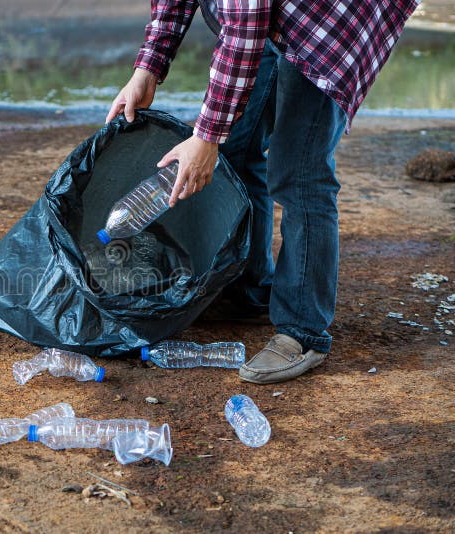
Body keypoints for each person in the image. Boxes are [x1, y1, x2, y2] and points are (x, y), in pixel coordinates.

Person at [106, 0, 420, 384]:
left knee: (299, 171)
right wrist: (147, 68)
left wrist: (206, 135)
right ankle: (249, 288)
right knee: (235, 147)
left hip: (328, 22)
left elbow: (244, 27)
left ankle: (303, 331)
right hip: (272, 16)